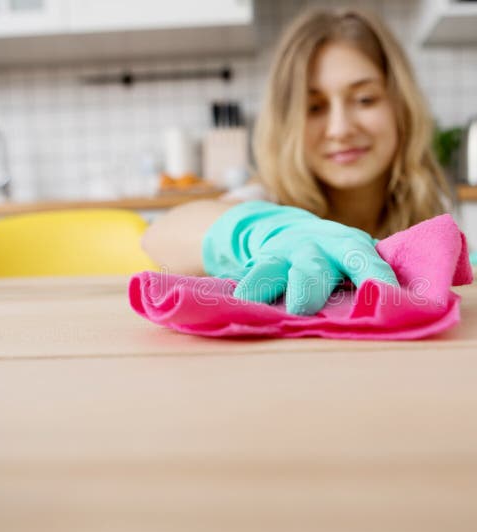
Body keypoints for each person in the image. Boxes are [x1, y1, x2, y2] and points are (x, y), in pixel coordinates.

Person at [141, 7, 451, 315]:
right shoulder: (270, 196)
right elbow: (161, 236)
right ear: (287, 122)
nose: (340, 129)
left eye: (365, 100)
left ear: (401, 106)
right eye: (314, 107)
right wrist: (269, 232)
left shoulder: (428, 200)